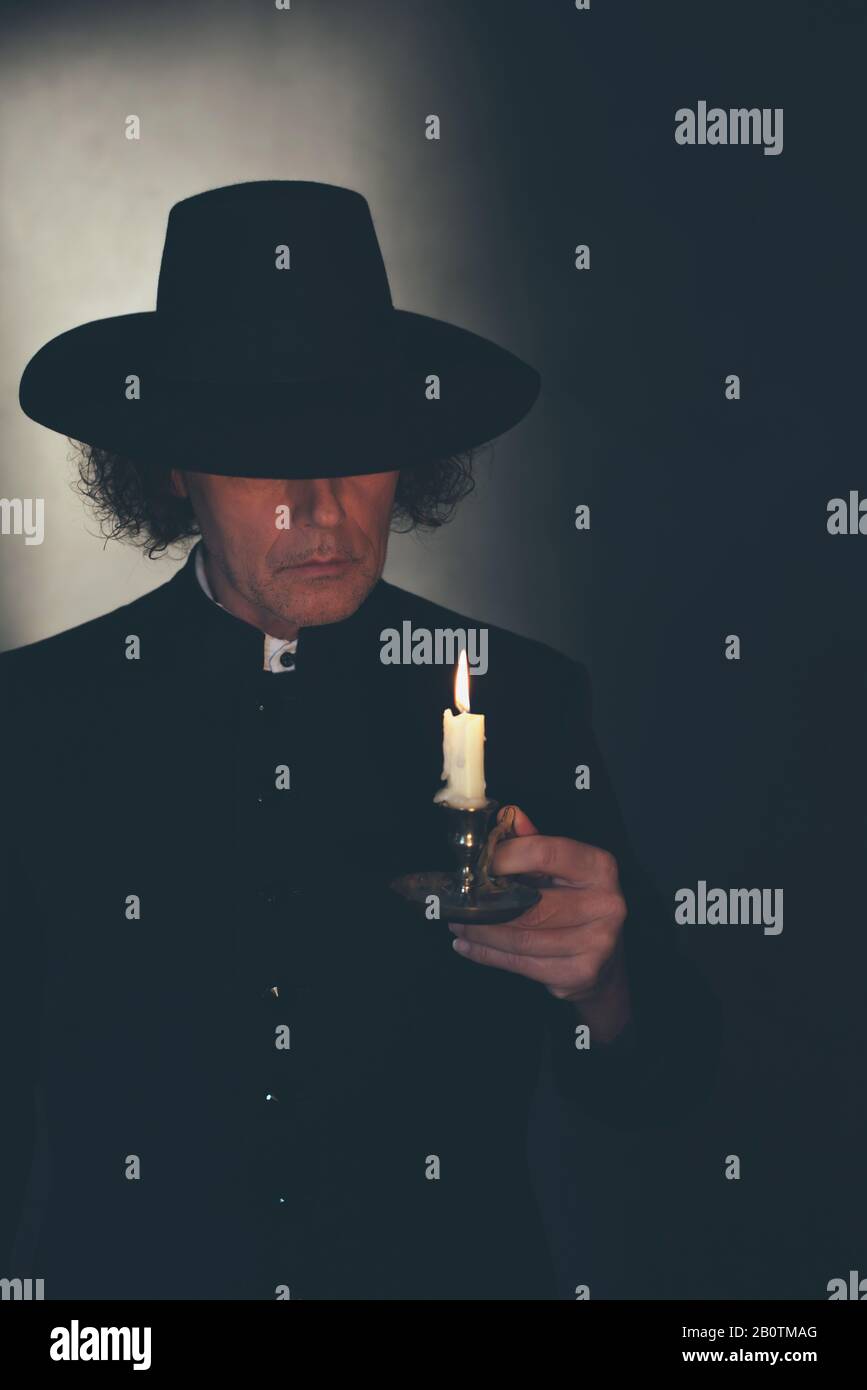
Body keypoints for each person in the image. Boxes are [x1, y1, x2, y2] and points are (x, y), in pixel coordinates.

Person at [1, 181, 721, 1300]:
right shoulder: (33, 718)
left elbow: (660, 1094)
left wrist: (607, 984)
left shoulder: (525, 696)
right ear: (174, 466)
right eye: (258, 455)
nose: (319, 506)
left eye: (355, 447)